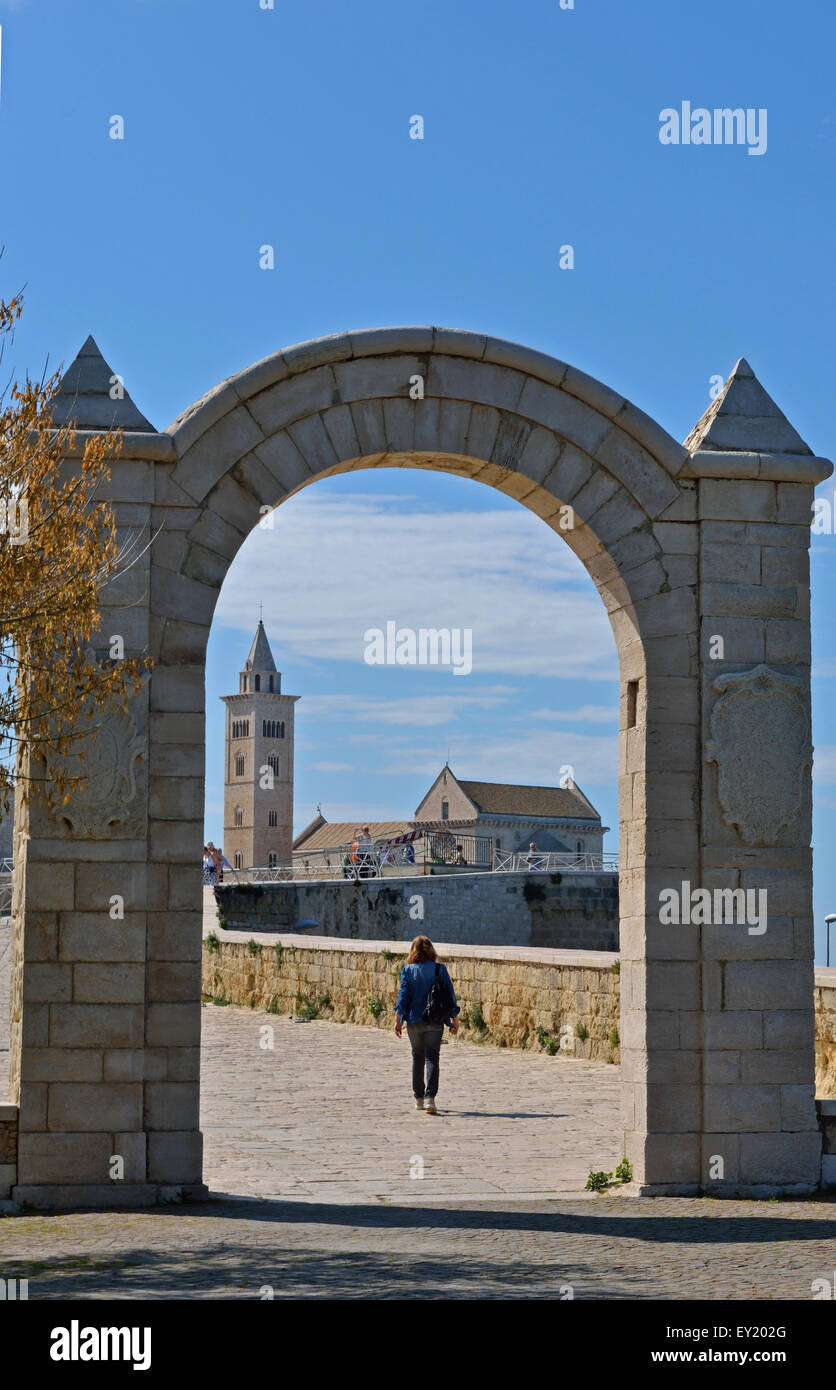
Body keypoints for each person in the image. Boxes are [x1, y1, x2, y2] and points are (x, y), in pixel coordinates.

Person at [393, 935, 460, 1114]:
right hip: (435, 1020)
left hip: (414, 1020)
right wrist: (454, 1019)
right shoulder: (439, 969)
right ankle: (431, 1098)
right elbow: (449, 996)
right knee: (432, 1057)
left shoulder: (407, 970)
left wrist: (398, 1018)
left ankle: (419, 1099)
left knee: (417, 1057)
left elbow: (403, 995)